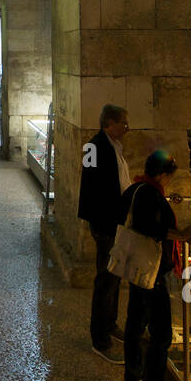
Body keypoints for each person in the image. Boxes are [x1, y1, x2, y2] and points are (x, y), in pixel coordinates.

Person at [118, 150, 191, 381]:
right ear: (163, 175)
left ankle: (132, 377)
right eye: (169, 176)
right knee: (161, 334)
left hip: (136, 266)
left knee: (136, 320)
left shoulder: (136, 188)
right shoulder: (150, 193)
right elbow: (147, 226)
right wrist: (180, 234)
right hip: (151, 270)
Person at [77, 103, 130, 363]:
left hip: (115, 221)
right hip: (106, 222)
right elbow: (92, 186)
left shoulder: (114, 146)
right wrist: (100, 219)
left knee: (115, 276)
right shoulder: (94, 147)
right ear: (109, 123)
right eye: (123, 123)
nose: (127, 128)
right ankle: (100, 340)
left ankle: (110, 323)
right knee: (106, 280)